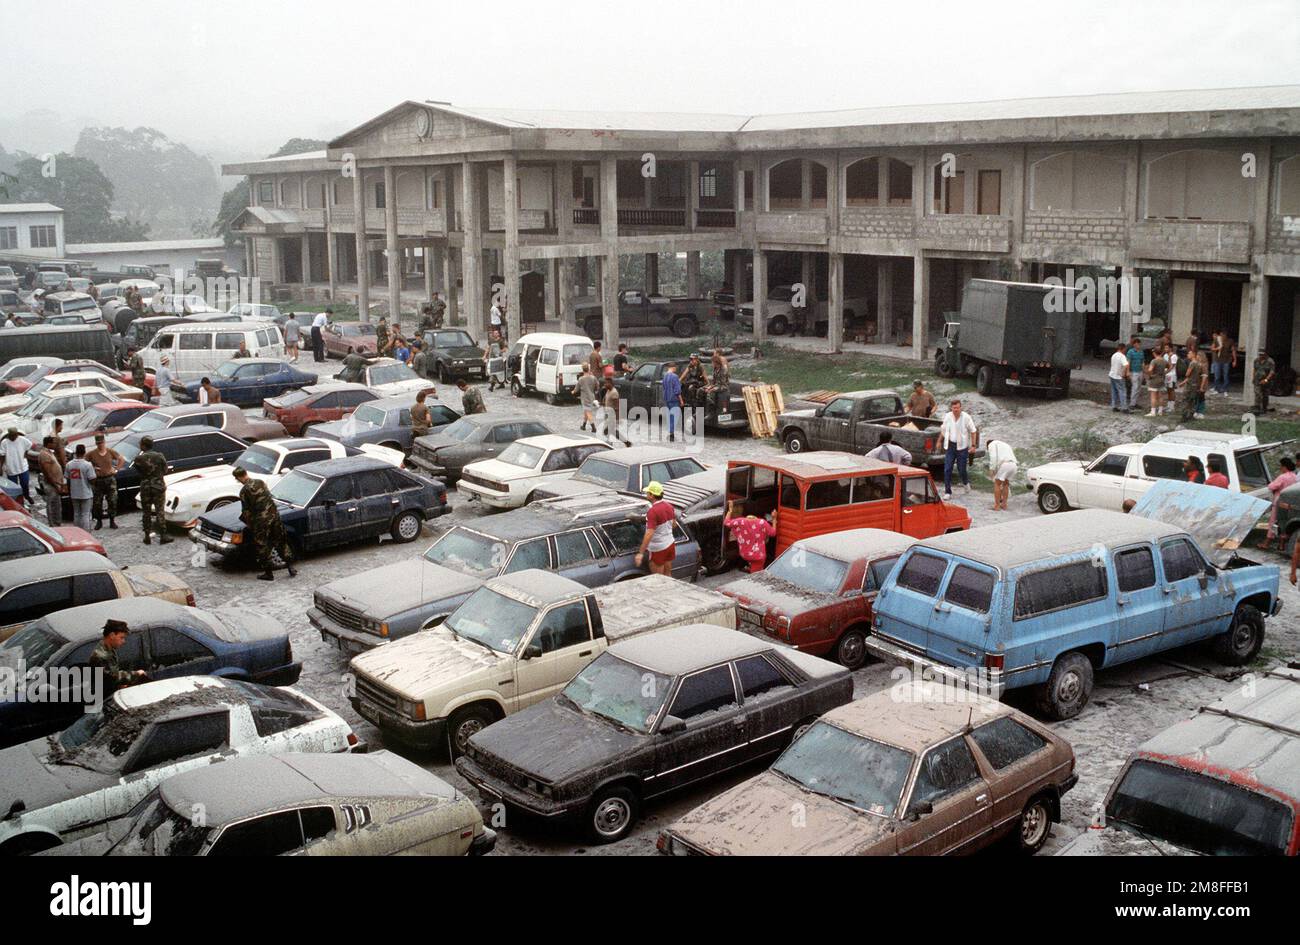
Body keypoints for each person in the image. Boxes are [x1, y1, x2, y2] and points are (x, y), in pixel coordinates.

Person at [234, 466, 296, 581]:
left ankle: (268, 573)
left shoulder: (244, 491)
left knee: (262, 546)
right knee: (281, 541)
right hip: (274, 516)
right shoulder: (260, 482)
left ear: (238, 477)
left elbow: (246, 511)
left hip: (261, 521)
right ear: (246, 473)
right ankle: (290, 567)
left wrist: (250, 524)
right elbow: (269, 497)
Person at [90, 620, 149, 696]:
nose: (124, 641)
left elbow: (111, 675)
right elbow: (111, 677)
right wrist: (136, 674)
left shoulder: (109, 649)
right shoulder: (100, 655)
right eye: (121, 637)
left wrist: (119, 685)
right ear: (112, 635)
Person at [133, 435, 172, 545]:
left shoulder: (139, 459)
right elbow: (165, 470)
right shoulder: (159, 456)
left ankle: (147, 536)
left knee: (146, 512)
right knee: (160, 511)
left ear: (143, 445)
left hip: (145, 487)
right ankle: (163, 535)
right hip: (158, 487)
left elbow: (138, 472)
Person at [635, 481, 677, 576]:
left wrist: (641, 553)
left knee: (659, 578)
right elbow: (674, 525)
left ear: (652, 495)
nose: (646, 494)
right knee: (668, 574)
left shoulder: (652, 511)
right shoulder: (669, 506)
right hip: (670, 544)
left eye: (647, 493)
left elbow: (649, 533)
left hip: (658, 548)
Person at [939, 398, 978, 498]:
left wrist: (973, 446)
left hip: (962, 448)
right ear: (951, 408)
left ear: (961, 408)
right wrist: (939, 441)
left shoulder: (966, 417)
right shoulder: (948, 416)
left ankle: (965, 483)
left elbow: (973, 431)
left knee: (961, 469)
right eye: (954, 408)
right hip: (950, 446)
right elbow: (943, 429)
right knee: (947, 468)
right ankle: (948, 492)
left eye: (957, 408)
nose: (955, 410)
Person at [723, 500, 777, 573]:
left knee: (753, 567)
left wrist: (730, 510)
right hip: (758, 556)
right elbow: (773, 533)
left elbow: (726, 522)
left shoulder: (740, 521)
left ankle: (750, 567)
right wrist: (774, 519)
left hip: (745, 554)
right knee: (756, 575)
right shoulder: (762, 522)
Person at [1260, 457, 1298, 550]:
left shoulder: (1283, 477)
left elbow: (1271, 487)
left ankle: (1266, 543)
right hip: (1290, 503)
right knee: (1284, 523)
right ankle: (1281, 545)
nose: (1280, 468)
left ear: (1284, 467)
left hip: (1279, 502)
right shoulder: (1295, 476)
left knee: (1273, 522)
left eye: (1281, 466)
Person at [88, 433, 124, 529]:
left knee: (112, 500)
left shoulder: (110, 451)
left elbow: (121, 459)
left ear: (104, 442)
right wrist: (93, 468)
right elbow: (85, 462)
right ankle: (99, 521)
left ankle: (112, 520)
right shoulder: (92, 454)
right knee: (97, 502)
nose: (100, 445)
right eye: (98, 443)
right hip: (98, 480)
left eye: (101, 443)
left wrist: (116, 469)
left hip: (109, 479)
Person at [66, 443, 96, 532]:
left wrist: (70, 490)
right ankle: (86, 532)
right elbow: (92, 479)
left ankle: (77, 532)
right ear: (84, 452)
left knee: (76, 513)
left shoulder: (69, 464)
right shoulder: (87, 465)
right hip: (86, 493)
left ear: (76, 452)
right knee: (86, 514)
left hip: (74, 493)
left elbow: (67, 479)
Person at [38, 436, 65, 526]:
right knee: (52, 504)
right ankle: (53, 524)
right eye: (53, 443)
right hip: (51, 484)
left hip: (56, 483)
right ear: (48, 444)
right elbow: (47, 472)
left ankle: (57, 522)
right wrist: (55, 484)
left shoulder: (49, 452)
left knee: (56, 505)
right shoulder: (44, 454)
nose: (55, 444)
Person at [986, 439, 1018, 511]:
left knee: (997, 483)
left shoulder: (991, 444)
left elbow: (993, 457)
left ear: (988, 445)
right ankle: (1004, 504)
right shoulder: (1005, 444)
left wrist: (991, 469)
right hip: (1014, 465)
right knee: (1006, 483)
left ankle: (997, 506)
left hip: (1005, 465)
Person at [602, 377, 630, 446]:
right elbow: (607, 402)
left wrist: (617, 418)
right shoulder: (608, 391)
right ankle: (626, 442)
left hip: (612, 415)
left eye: (606, 383)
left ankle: (610, 443)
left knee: (607, 431)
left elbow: (617, 407)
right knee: (611, 431)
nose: (604, 385)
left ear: (610, 383)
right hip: (608, 414)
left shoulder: (614, 393)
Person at [1179, 350, 1205, 421]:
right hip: (1195, 384)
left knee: (1185, 400)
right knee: (1192, 401)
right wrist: (1183, 382)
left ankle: (1184, 416)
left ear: (1193, 354)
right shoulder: (1199, 364)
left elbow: (1187, 374)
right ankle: (1191, 415)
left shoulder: (1192, 363)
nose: (1188, 355)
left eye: (1189, 353)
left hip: (1189, 385)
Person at [574, 363, 600, 432]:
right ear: (588, 369)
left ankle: (593, 427)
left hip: (585, 399)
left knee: (588, 412)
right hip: (592, 397)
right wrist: (596, 390)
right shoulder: (593, 377)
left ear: (583, 370)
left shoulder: (581, 379)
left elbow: (576, 389)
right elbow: (597, 385)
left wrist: (572, 392)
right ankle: (583, 425)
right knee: (587, 411)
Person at [661, 361, 683, 442]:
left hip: (667, 398)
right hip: (674, 399)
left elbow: (664, 387)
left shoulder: (665, 376)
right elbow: (677, 390)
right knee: (674, 416)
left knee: (670, 415)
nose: (675, 370)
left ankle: (670, 432)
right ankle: (672, 433)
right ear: (673, 367)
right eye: (675, 368)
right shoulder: (675, 376)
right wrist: (681, 400)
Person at [1211, 331, 1236, 396]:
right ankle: (1217, 389)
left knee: (1226, 375)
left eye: (1223, 335)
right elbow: (1212, 348)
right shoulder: (1217, 340)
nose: (1222, 336)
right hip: (1217, 360)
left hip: (1226, 361)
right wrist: (1218, 348)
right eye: (1221, 335)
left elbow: (1233, 350)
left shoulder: (1230, 341)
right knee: (1217, 375)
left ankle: (1225, 389)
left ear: (1226, 335)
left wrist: (1234, 360)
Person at [1145, 347, 1168, 416]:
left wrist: (1149, 375)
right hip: (1161, 379)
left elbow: (1150, 370)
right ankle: (1160, 411)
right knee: (1161, 396)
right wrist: (1165, 373)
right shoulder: (1164, 361)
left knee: (1153, 396)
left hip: (1154, 379)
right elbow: (1169, 367)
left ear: (1154, 353)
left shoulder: (1154, 361)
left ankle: (1153, 412)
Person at [1108, 342, 1130, 412]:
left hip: (1112, 375)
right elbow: (1126, 365)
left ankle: (1114, 406)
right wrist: (1124, 373)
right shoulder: (1122, 356)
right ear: (1123, 349)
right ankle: (1124, 407)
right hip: (1119, 376)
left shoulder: (1114, 355)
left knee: (1114, 391)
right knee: (1122, 391)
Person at [708, 349, 731, 416]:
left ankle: (712, 412)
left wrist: (713, 388)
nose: (713, 354)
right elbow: (714, 380)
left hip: (723, 385)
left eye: (714, 353)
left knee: (710, 393)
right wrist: (710, 386)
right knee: (704, 390)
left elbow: (723, 382)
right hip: (718, 384)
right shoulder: (715, 368)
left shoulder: (722, 363)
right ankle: (709, 411)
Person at [1125, 337, 1146, 408]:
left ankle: (1135, 402)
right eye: (1137, 344)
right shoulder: (1130, 352)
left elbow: (1142, 362)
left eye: (1139, 344)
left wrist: (1144, 372)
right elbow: (1128, 362)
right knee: (1135, 387)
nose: (1138, 345)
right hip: (1133, 371)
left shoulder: (1141, 352)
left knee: (1138, 388)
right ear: (1134, 344)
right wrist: (1128, 371)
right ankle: (1132, 403)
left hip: (1140, 371)